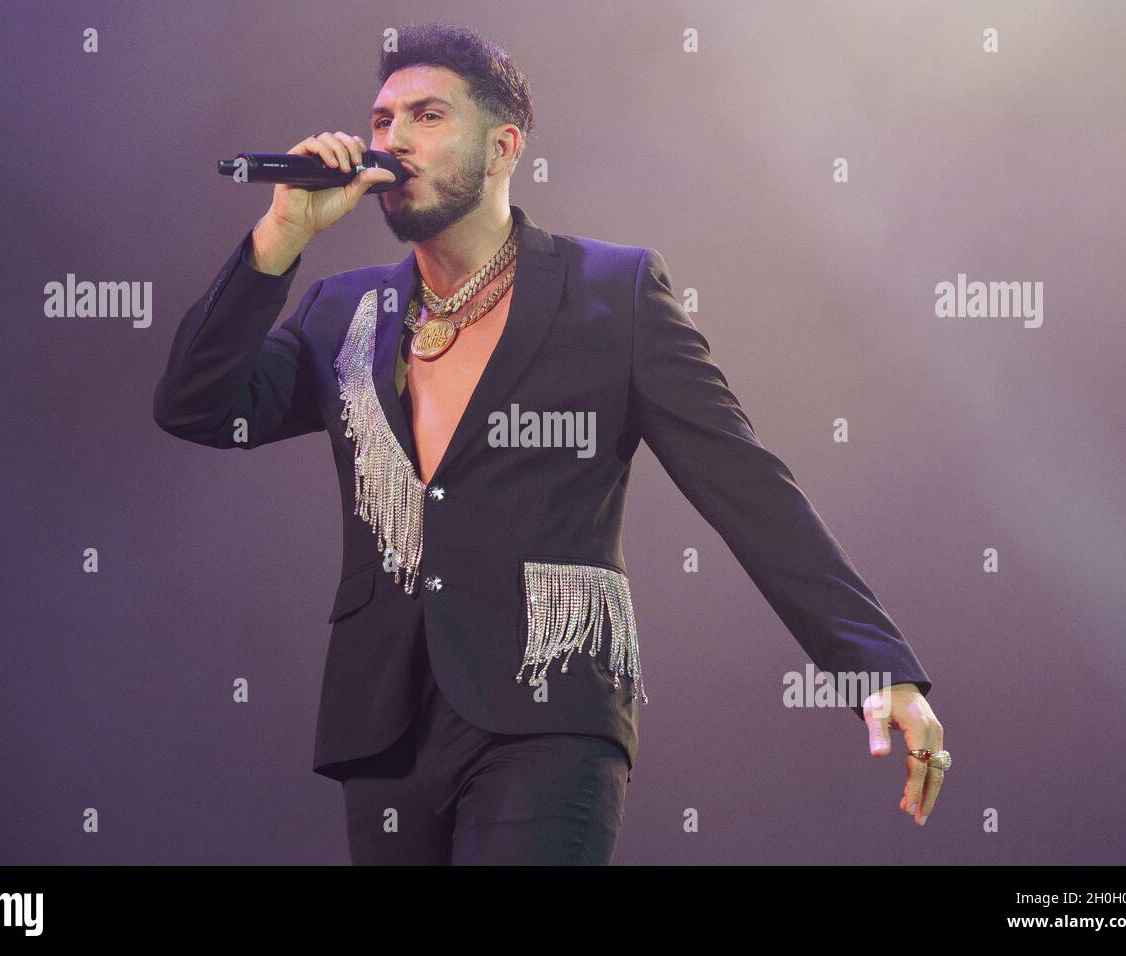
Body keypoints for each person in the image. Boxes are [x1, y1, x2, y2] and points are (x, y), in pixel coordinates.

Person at [153, 23, 947, 865]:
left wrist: (875, 665)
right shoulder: (341, 309)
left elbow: (747, 486)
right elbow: (197, 407)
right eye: (382, 121)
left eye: (426, 117)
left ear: (502, 146)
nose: (391, 141)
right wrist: (278, 239)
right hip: (384, 722)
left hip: (549, 706)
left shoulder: (612, 294)